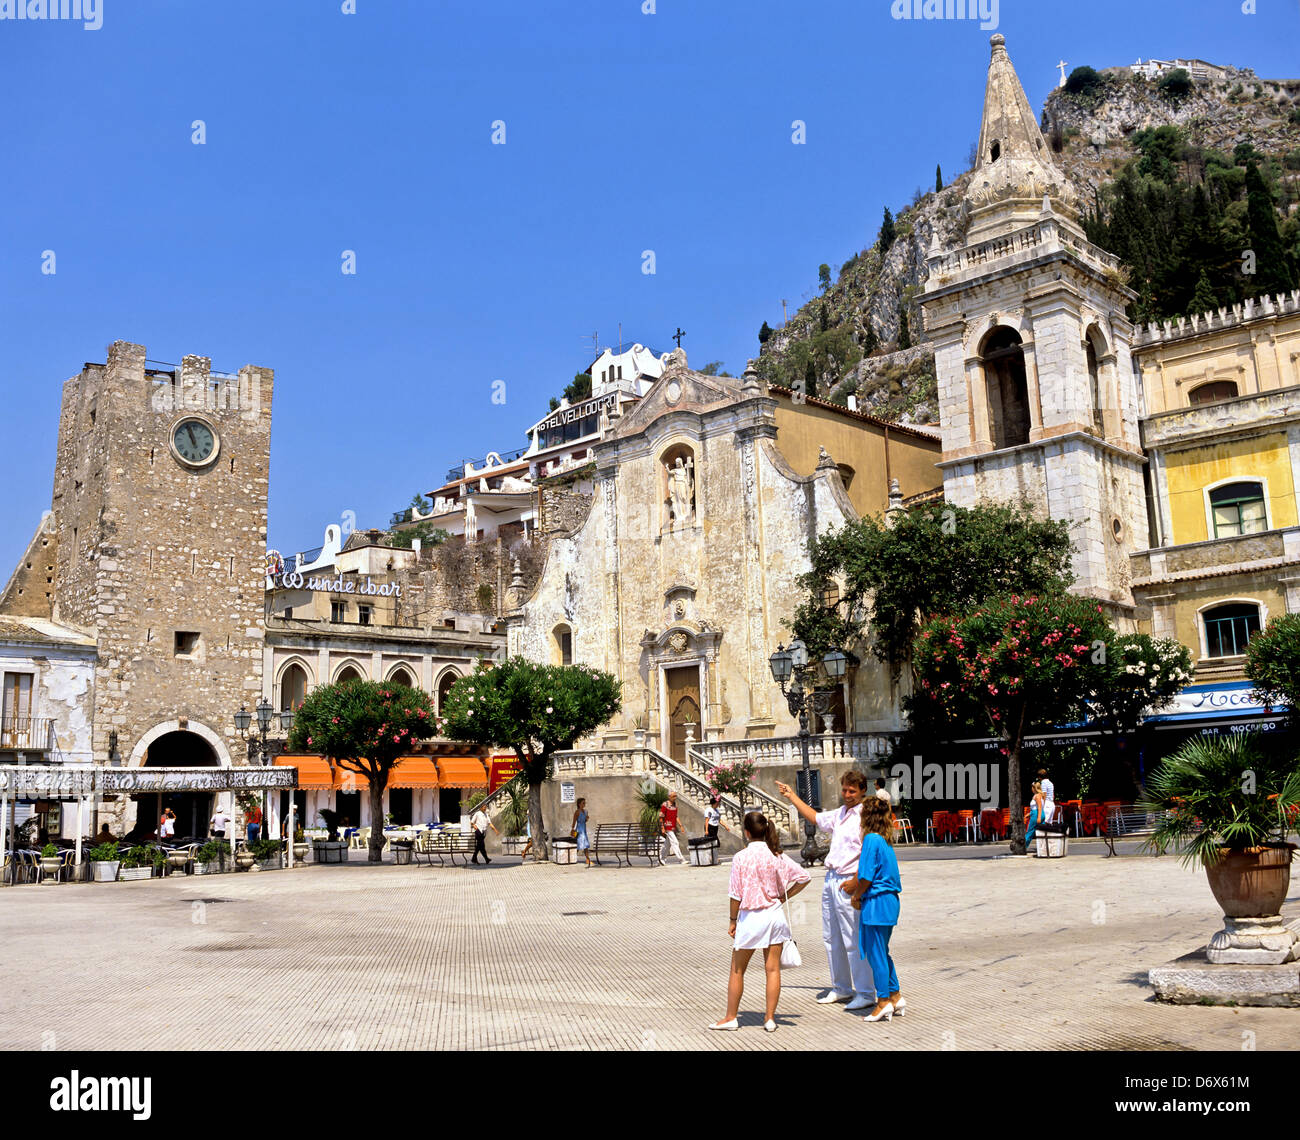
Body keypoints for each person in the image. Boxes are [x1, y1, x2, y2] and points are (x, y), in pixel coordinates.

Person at [775, 770, 875, 1010]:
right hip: (831, 878)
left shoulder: (866, 816)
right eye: (844, 790)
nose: (847, 795)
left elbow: (869, 852)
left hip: (848, 879)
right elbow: (816, 818)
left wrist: (857, 881)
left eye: (852, 791)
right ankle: (841, 987)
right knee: (832, 937)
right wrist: (791, 796)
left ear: (862, 791)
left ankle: (865, 991)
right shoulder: (840, 814)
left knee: (853, 937)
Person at [708, 811, 810, 1032]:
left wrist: (732, 921)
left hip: (751, 918)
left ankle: (731, 1017)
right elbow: (804, 877)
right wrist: (783, 897)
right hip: (774, 915)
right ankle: (770, 1018)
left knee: (737, 969)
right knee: (772, 969)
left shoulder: (741, 858)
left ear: (746, 833)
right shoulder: (776, 855)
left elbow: (735, 894)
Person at [846, 796, 904, 1023]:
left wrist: (856, 895)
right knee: (883, 951)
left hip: (877, 902)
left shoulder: (871, 839)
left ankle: (882, 1001)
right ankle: (895, 994)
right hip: (889, 901)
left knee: (875, 954)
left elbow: (865, 876)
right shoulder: (885, 839)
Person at [659, 791, 688, 866]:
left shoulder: (675, 805)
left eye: (675, 796)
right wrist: (662, 827)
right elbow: (661, 817)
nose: (675, 798)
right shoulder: (665, 805)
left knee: (667, 844)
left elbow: (676, 816)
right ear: (669, 797)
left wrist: (681, 825)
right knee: (675, 842)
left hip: (672, 827)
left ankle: (661, 858)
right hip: (667, 827)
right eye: (673, 796)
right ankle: (681, 859)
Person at [572, 798, 591, 867]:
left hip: (584, 829)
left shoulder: (586, 812)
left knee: (585, 845)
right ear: (579, 804)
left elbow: (585, 821)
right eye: (583, 803)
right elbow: (574, 822)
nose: (584, 804)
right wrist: (573, 830)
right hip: (579, 830)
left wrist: (586, 819)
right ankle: (573, 858)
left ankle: (587, 859)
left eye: (584, 803)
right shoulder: (577, 812)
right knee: (578, 845)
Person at [1025, 780, 1044, 845]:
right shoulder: (1040, 795)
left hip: (1036, 814)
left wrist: (1038, 817)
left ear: (1034, 788)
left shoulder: (1037, 796)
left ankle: (1024, 846)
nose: (1031, 789)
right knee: (1042, 832)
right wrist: (1030, 814)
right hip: (1037, 813)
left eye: (1032, 787)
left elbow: (1039, 807)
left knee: (1030, 831)